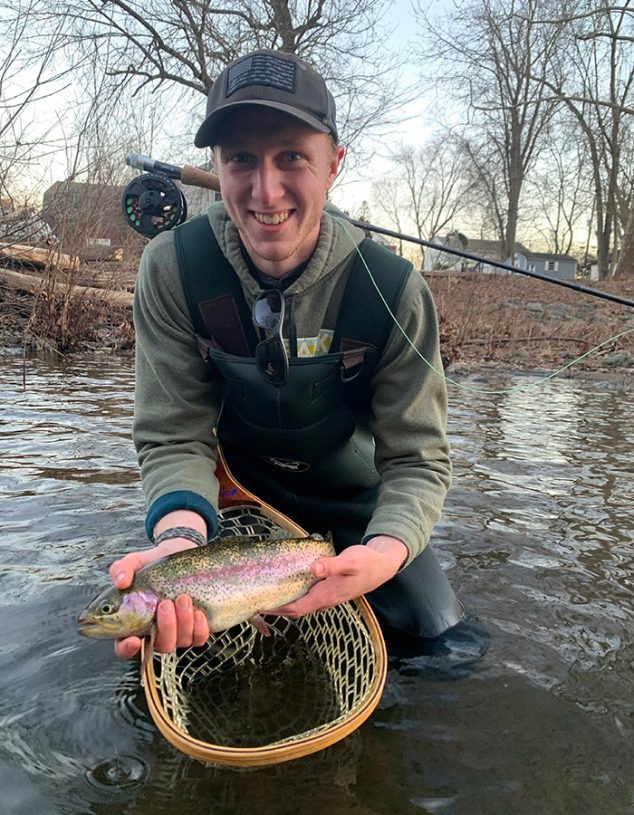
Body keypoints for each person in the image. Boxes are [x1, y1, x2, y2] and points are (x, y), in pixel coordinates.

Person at [110, 49, 463, 660]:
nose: (264, 190)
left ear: (334, 165)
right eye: (241, 158)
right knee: (169, 645)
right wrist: (178, 538)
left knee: (441, 645)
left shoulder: (395, 290)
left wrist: (385, 551)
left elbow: (419, 459)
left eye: (292, 156)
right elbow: (173, 437)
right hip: (231, 499)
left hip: (356, 507)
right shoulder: (172, 268)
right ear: (216, 166)